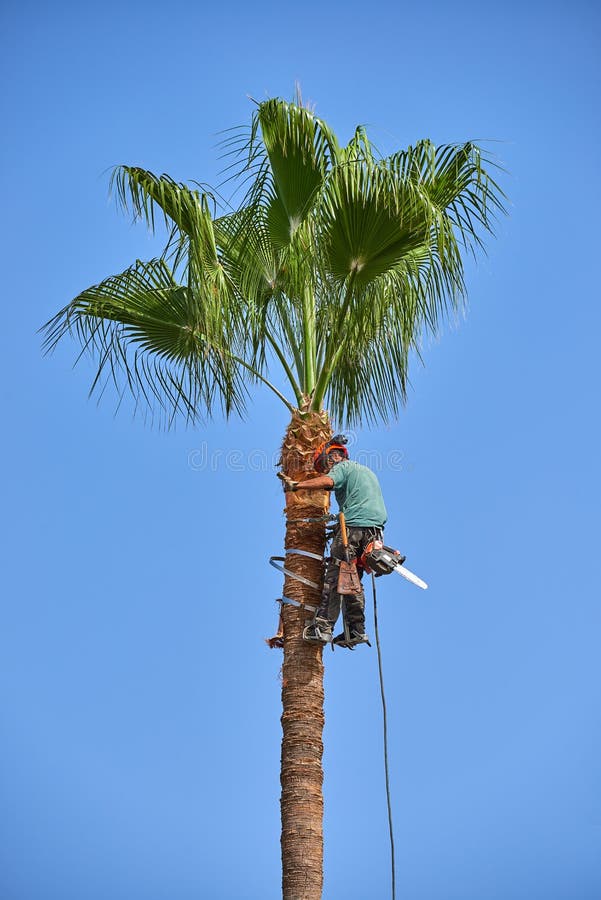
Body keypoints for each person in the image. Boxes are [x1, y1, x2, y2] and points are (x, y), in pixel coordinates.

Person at [283, 435, 387, 647]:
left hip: (353, 529)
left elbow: (329, 481)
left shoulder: (342, 466)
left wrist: (297, 485)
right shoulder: (365, 471)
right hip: (374, 533)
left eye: (323, 465)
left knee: (335, 575)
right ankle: (356, 630)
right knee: (352, 579)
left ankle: (322, 628)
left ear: (332, 457)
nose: (325, 470)